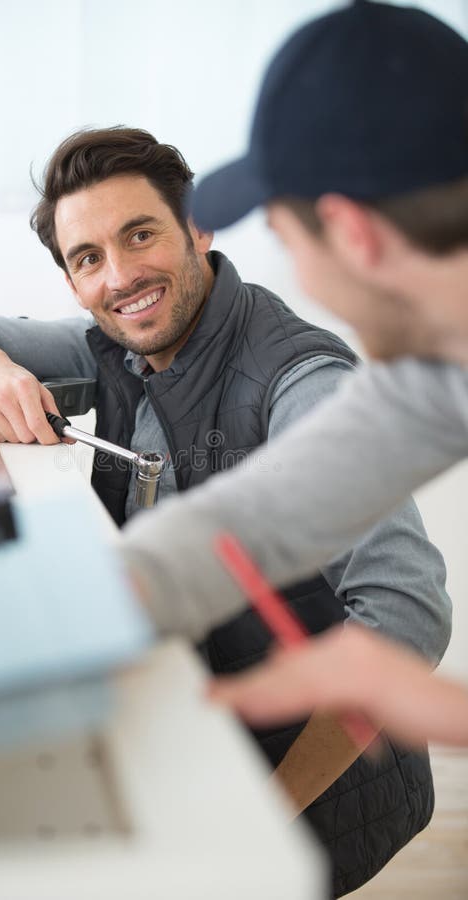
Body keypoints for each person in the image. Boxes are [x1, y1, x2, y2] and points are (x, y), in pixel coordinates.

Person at [0, 127, 449, 896]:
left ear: (198, 227)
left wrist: (265, 813)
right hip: (203, 722)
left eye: (140, 234)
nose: (120, 276)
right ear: (72, 281)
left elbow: (405, 613)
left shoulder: (304, 379)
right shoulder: (113, 346)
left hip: (312, 780)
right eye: (88, 258)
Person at [109, 1, 468, 748]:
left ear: (353, 233)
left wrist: (440, 707)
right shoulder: (436, 369)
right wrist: (95, 597)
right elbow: (262, 515)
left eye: (280, 236)